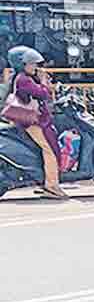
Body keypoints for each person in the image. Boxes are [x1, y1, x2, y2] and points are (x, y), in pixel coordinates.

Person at [8, 46, 67, 198]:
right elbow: (43, 94)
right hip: (33, 123)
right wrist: (43, 81)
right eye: (31, 63)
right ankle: (52, 186)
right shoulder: (23, 80)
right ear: (22, 64)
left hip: (35, 120)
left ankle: (45, 180)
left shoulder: (23, 77)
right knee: (50, 150)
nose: (35, 66)